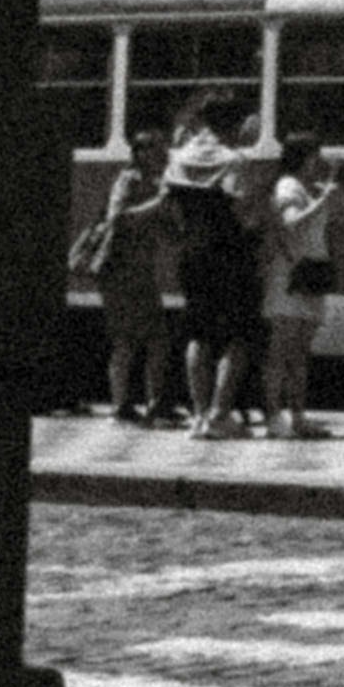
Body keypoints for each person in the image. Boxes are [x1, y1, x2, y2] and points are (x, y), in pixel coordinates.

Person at [164, 102, 268, 436]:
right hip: (230, 254)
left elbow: (168, 209)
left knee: (198, 333)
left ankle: (198, 414)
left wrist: (184, 237)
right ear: (230, 125)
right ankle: (220, 413)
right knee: (237, 336)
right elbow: (240, 213)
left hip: (192, 254)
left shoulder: (178, 158)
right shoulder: (232, 160)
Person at [81, 122, 176, 425]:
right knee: (126, 340)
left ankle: (155, 402)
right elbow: (117, 218)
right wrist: (157, 204)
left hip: (142, 273)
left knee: (157, 338)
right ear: (140, 152)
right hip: (119, 270)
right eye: (156, 148)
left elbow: (168, 231)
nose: (164, 153)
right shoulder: (128, 179)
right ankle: (121, 406)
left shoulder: (156, 182)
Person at [259, 133, 343, 441]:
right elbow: (292, 222)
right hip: (290, 277)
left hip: (309, 275)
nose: (318, 161)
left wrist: (331, 188)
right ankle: (273, 416)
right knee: (281, 350)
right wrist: (323, 202)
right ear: (302, 157)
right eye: (314, 155)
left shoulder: (310, 187)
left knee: (299, 353)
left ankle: (297, 416)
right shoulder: (288, 186)